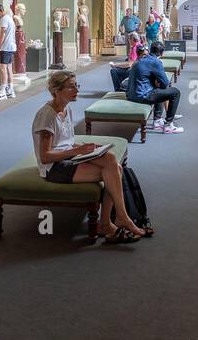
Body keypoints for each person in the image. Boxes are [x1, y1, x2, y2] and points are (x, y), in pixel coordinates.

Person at [32, 70, 147, 243]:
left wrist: (90, 148)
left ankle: (111, 221)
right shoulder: (47, 115)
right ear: (56, 90)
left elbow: (66, 143)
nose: (76, 90)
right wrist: (77, 151)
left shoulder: (66, 109)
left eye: (76, 86)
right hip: (54, 169)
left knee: (111, 160)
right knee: (112, 172)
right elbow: (45, 157)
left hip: (68, 158)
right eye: (71, 87)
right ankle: (114, 220)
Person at [126, 42, 184, 134]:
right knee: (175, 92)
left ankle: (157, 121)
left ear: (150, 50)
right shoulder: (156, 62)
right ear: (162, 53)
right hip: (141, 95)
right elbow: (165, 83)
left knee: (158, 89)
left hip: (130, 94)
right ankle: (168, 125)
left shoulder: (142, 59)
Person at [0, 3, 18, 101]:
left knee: (3, 68)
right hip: (11, 47)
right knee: (9, 68)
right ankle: (10, 90)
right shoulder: (9, 18)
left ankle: (2, 92)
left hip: (5, 47)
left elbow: (2, 34)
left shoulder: (4, 19)